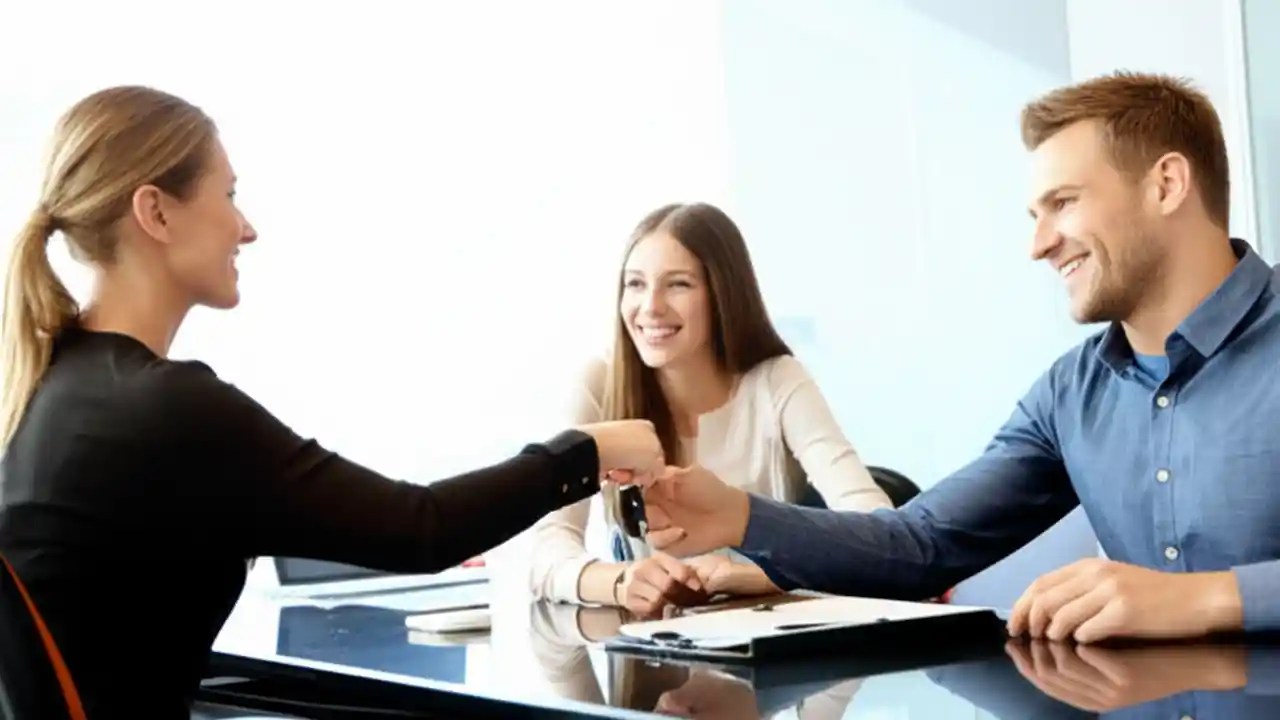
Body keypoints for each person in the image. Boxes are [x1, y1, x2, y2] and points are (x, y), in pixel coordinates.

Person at [0, 86, 663, 718]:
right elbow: (419, 528)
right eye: (228, 195)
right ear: (156, 211)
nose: (246, 227)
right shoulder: (165, 410)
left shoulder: (47, 391)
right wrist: (590, 449)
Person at [638, 71, 1280, 645]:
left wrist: (1201, 597)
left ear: (1166, 185)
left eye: (1064, 203)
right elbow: (918, 547)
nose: (1039, 244)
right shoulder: (1069, 396)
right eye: (1035, 213)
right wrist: (739, 516)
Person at [528, 202, 892, 615]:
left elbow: (878, 536)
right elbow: (544, 552)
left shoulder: (777, 381)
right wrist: (620, 582)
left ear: (723, 294)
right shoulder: (598, 383)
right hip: (655, 653)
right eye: (635, 285)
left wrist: (747, 577)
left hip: (773, 651)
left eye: (678, 284)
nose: (650, 307)